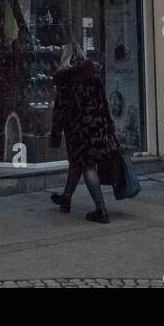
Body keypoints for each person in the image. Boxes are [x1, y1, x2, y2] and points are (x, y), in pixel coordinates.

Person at [49, 41, 119, 224]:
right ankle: (66, 197)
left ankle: (101, 209)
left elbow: (60, 110)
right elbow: (103, 102)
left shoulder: (65, 80)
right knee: (77, 163)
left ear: (65, 56)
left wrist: (55, 135)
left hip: (77, 130)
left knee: (86, 165)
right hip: (96, 127)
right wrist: (109, 124)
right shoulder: (92, 75)